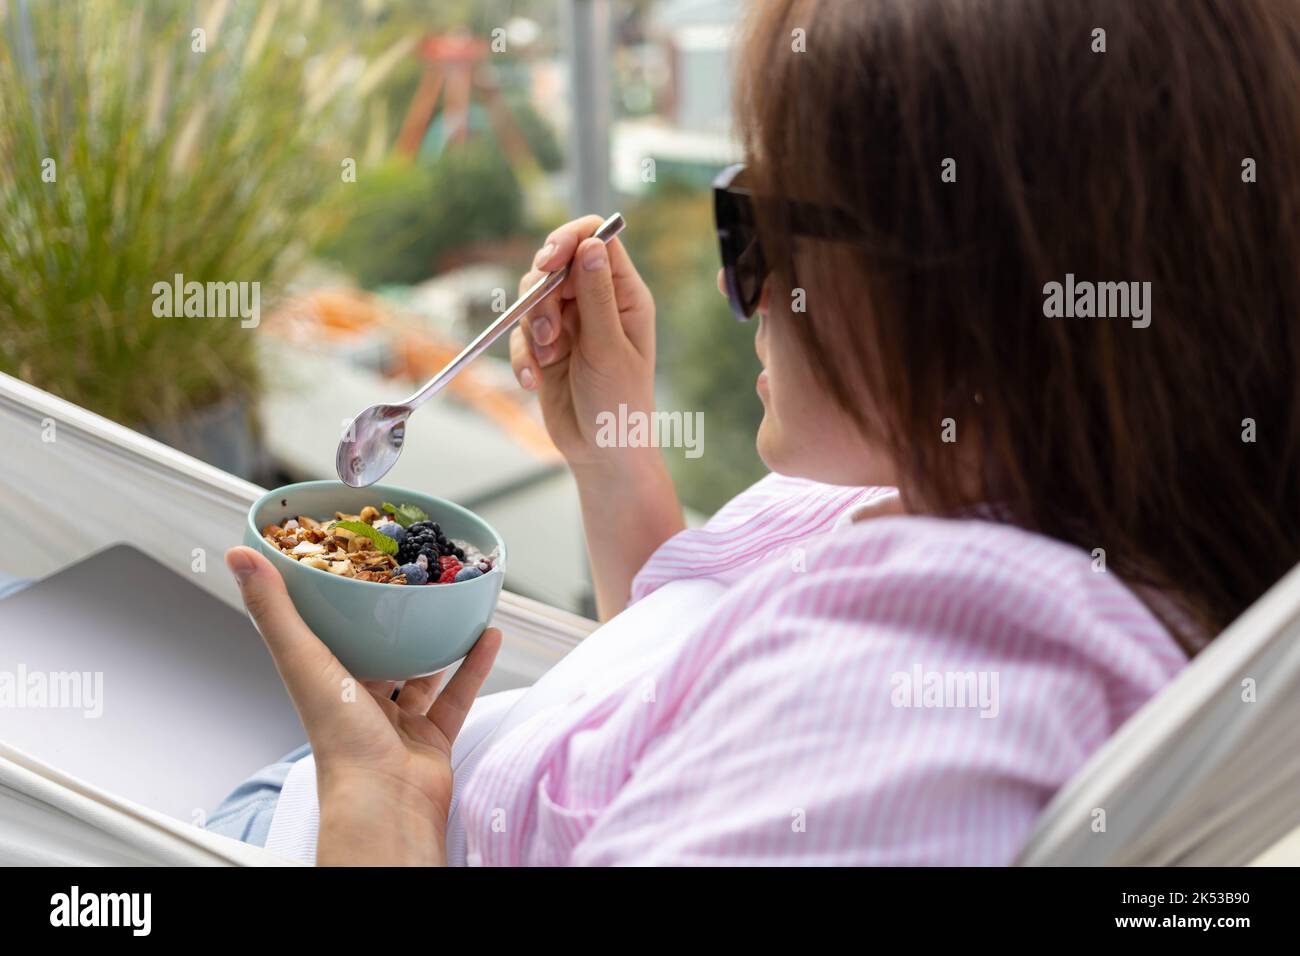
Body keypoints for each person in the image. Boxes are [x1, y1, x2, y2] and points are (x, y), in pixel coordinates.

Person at [213, 0, 1300, 865]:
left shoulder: (912, 694)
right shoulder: (983, 488)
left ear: (961, 289)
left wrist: (377, 809)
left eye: (756, 227)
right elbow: (686, 678)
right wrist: (612, 450)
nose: (749, 285)